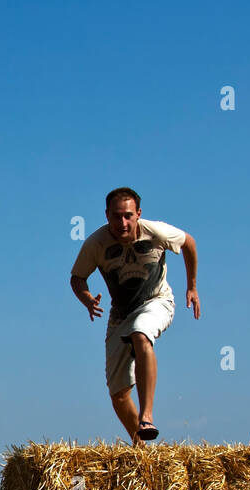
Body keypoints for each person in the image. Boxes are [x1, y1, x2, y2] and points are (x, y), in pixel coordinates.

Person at [69, 187, 200, 444]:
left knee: (141, 334)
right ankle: (140, 447)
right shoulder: (96, 244)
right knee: (117, 393)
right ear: (106, 215)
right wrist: (86, 299)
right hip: (120, 315)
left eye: (128, 216)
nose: (123, 223)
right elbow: (77, 277)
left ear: (138, 214)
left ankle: (147, 416)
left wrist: (192, 286)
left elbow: (189, 243)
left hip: (157, 301)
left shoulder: (156, 232)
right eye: (117, 216)